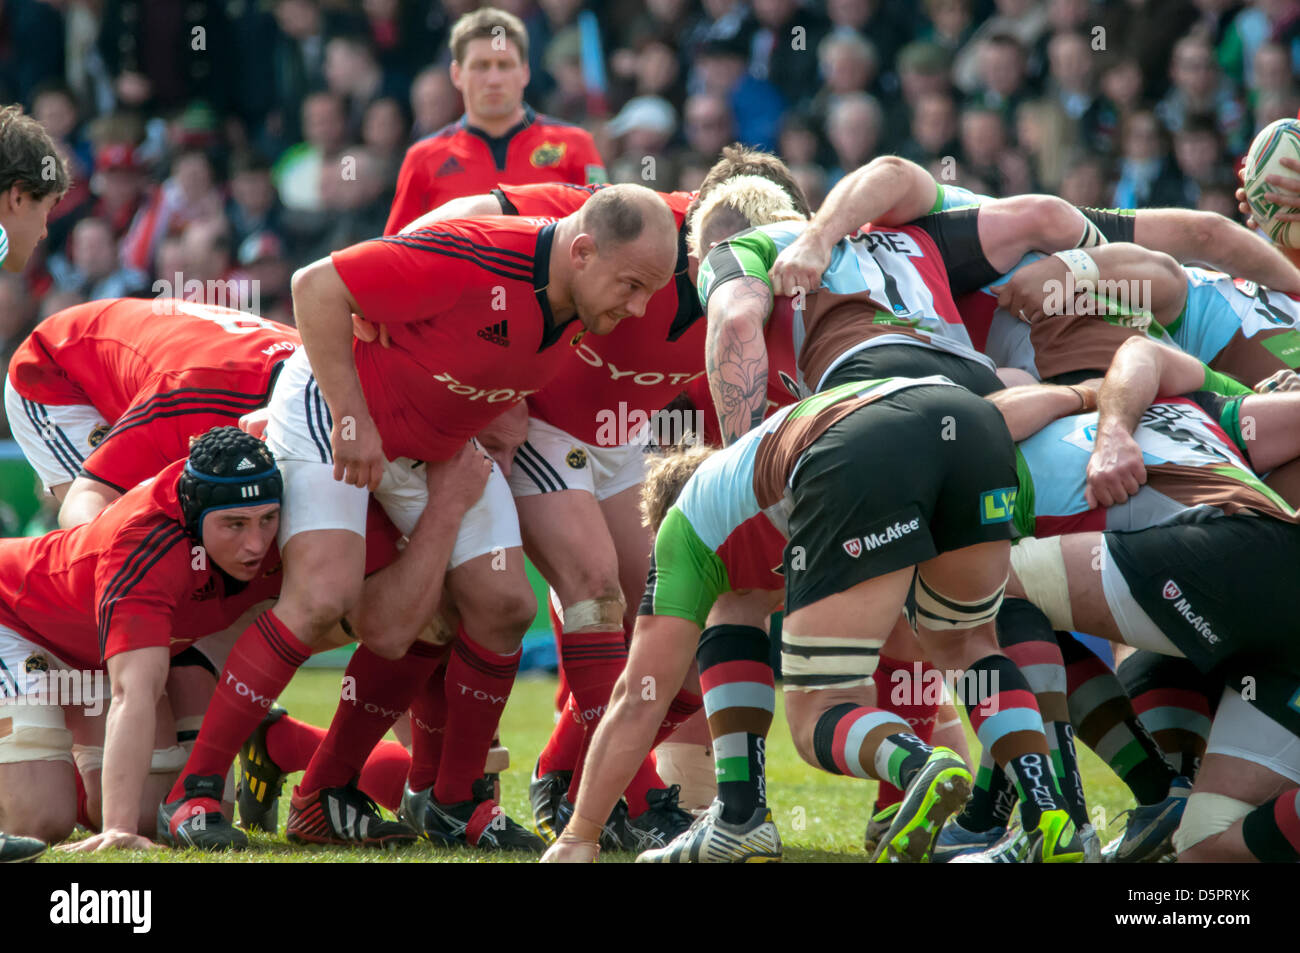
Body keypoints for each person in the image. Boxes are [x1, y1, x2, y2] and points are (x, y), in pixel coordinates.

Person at [160, 184, 679, 851]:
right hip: (334, 416)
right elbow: (316, 285)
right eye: (631, 285)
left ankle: (454, 802)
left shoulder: (582, 294)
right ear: (581, 251)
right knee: (321, 599)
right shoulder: (476, 255)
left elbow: (476, 356)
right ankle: (195, 791)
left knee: (503, 603)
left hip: (435, 447)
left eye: (650, 292)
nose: (638, 307)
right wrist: (351, 416)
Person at [541, 374, 1084, 864]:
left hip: (863, 443)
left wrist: (579, 835)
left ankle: (917, 766)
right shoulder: (763, 492)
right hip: (971, 422)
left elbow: (639, 694)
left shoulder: (683, 529)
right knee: (968, 647)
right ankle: (1049, 815)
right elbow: (896, 635)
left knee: (818, 710)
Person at [5, 298, 300, 528]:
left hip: (164, 361)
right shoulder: (189, 395)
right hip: (54, 371)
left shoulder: (323, 365)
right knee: (124, 530)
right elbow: (86, 500)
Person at [383, 7, 606, 235]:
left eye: (504, 65)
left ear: (525, 72)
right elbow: (394, 254)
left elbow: (606, 237)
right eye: (481, 66)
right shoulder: (422, 159)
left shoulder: (575, 144)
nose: (493, 79)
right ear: (457, 74)